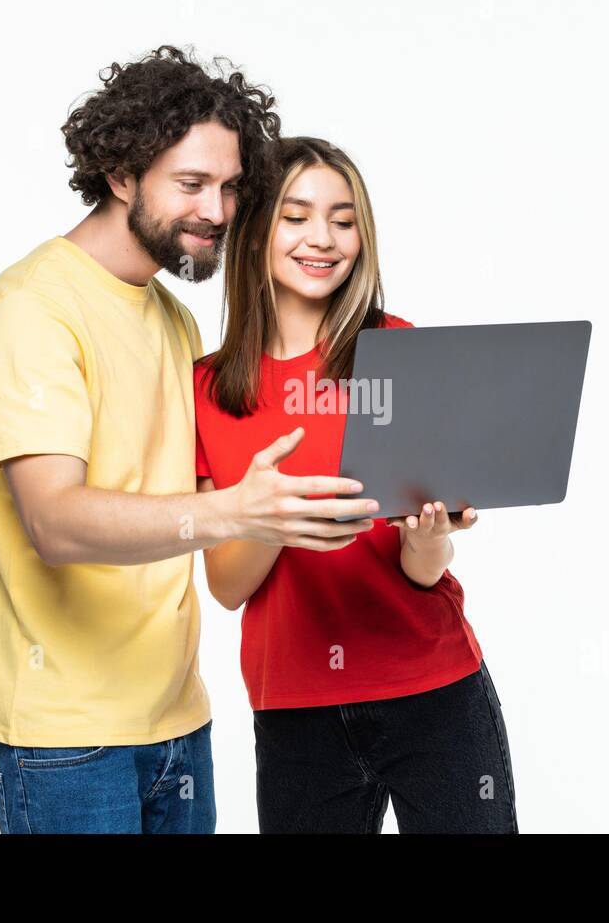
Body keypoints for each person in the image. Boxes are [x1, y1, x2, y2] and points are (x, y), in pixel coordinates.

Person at [0, 49, 379, 834]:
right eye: (190, 185)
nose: (217, 211)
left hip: (176, 720)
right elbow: (56, 521)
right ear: (120, 175)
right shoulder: (31, 312)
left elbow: (208, 499)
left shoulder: (172, 319)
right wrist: (239, 514)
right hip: (61, 735)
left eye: (230, 187)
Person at [193, 136, 519, 833]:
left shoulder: (396, 348)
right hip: (295, 710)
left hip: (433, 691)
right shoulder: (206, 389)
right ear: (254, 234)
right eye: (297, 216)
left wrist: (429, 540)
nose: (323, 238)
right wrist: (269, 516)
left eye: (343, 221)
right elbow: (226, 588)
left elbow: (423, 570)